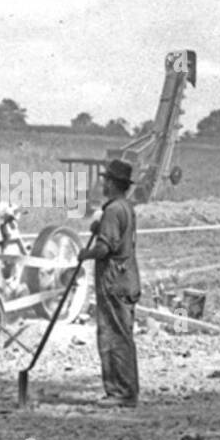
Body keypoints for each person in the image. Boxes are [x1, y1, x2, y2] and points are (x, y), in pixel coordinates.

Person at [77, 158, 140, 407]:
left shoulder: (113, 210)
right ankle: (125, 391)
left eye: (105, 180)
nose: (102, 184)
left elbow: (104, 248)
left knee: (113, 337)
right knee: (122, 335)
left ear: (113, 183)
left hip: (114, 281)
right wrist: (101, 225)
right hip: (127, 278)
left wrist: (85, 255)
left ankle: (121, 394)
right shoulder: (125, 207)